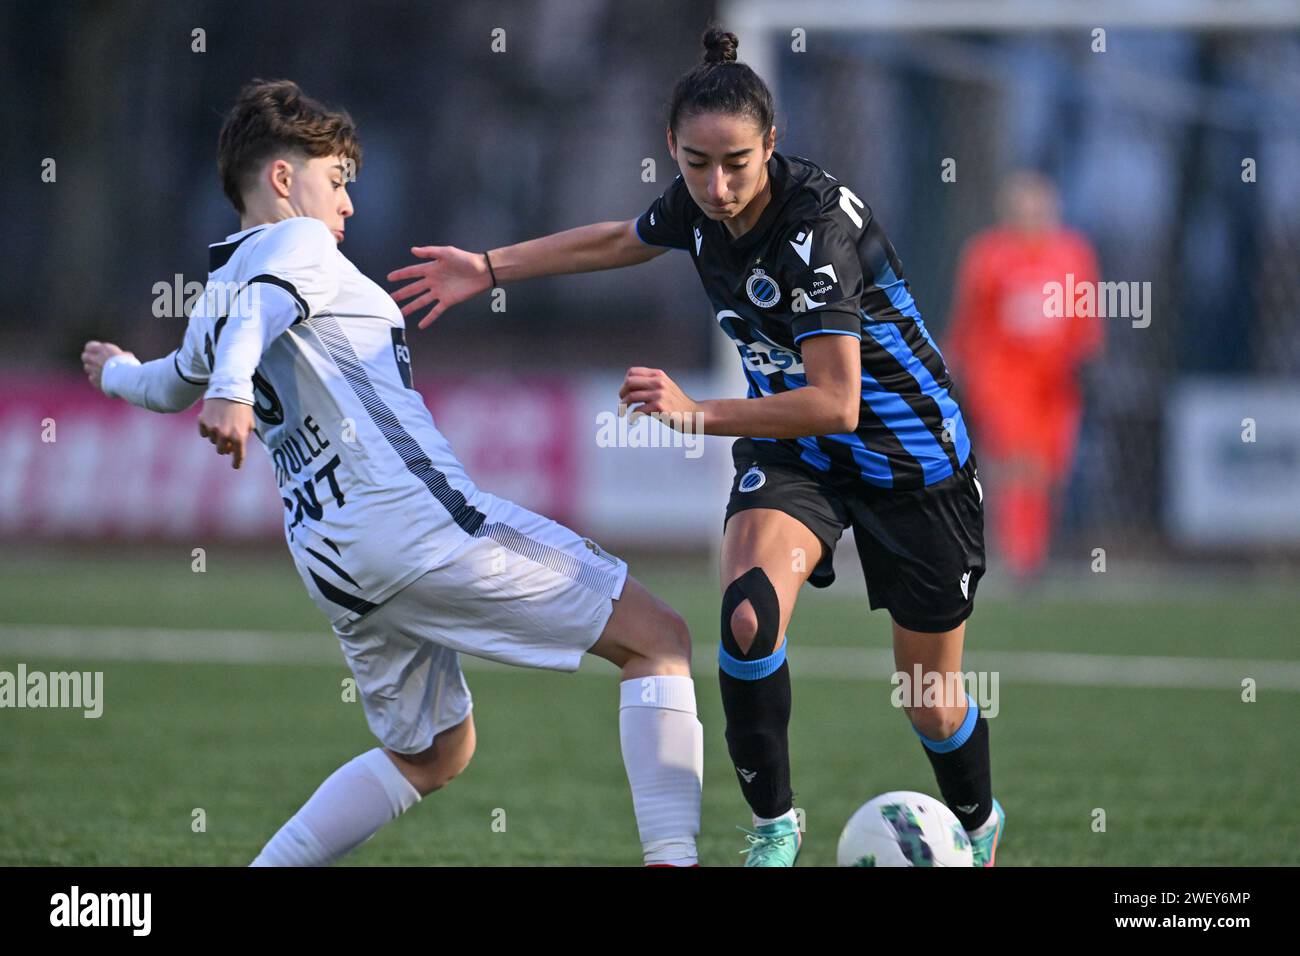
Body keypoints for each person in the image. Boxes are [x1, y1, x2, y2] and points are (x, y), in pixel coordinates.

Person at [387, 28, 1003, 866]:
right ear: (671, 150)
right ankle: (774, 829)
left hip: (912, 465)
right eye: (695, 164)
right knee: (746, 621)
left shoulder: (813, 232)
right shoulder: (697, 203)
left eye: (737, 163)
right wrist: (488, 269)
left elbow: (837, 401)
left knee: (927, 699)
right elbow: (618, 240)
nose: (716, 186)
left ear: (772, 144)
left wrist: (695, 412)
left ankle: (976, 825)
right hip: (798, 459)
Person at [80, 79, 703, 867]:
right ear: (281, 178)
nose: (347, 205)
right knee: (661, 640)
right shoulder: (294, 247)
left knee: (435, 752)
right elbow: (258, 315)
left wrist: (114, 372)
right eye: (337, 180)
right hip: (418, 529)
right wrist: (234, 390)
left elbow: (166, 384)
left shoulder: (216, 292)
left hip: (338, 564)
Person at [948, 171, 1104, 582]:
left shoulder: (1073, 254)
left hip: (1054, 381)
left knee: (1049, 465)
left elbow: (1084, 320)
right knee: (1017, 462)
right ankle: (1022, 556)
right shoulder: (988, 255)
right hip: (1003, 376)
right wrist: (962, 367)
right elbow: (971, 320)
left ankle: (1032, 548)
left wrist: (1087, 360)